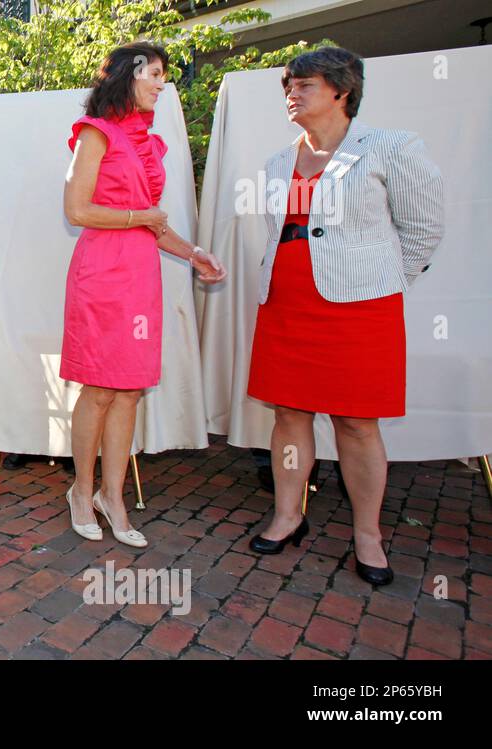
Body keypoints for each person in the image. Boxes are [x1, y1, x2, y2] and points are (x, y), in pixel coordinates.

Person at [246, 47, 443, 586]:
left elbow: (423, 227)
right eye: (287, 84)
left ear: (341, 89)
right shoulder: (276, 162)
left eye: (303, 83)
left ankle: (368, 535)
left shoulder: (389, 147)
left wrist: (380, 279)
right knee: (288, 414)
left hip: (360, 308)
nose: (291, 92)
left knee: (357, 422)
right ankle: (289, 516)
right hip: (287, 302)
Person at [62, 43, 227, 548]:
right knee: (99, 388)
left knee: (129, 388)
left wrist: (194, 252)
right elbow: (77, 210)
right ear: (127, 77)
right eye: (154, 74)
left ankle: (114, 497)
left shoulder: (148, 142)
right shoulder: (96, 133)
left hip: (139, 274)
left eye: (163, 76)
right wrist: (141, 218)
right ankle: (81, 490)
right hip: (100, 274)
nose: (161, 84)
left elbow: (155, 225)